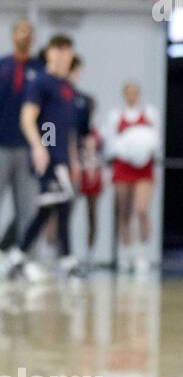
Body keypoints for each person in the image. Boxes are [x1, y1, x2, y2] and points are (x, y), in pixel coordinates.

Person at [6, 34, 81, 280]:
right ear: (50, 53)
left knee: (50, 209)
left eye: (67, 51)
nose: (63, 56)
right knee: (59, 206)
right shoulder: (42, 82)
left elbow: (65, 127)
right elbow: (29, 118)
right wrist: (40, 147)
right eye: (59, 50)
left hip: (61, 157)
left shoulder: (66, 87)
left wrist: (73, 159)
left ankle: (17, 256)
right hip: (48, 157)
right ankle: (66, 261)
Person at [105, 81, 159, 275]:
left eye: (135, 92)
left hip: (144, 168)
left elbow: (155, 140)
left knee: (142, 210)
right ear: (124, 95)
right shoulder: (115, 116)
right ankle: (126, 252)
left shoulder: (149, 114)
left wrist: (141, 150)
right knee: (124, 211)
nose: (132, 96)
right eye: (128, 93)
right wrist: (126, 149)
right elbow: (110, 143)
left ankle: (142, 253)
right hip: (123, 166)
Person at [0, 19, 40, 254]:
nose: (24, 35)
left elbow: (50, 116)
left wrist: (48, 147)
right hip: (1, 146)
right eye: (20, 31)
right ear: (13, 35)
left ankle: (27, 259)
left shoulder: (40, 70)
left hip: (28, 149)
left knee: (28, 209)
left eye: (29, 31)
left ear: (33, 37)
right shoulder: (3, 66)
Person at [69, 57, 103, 261]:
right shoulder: (69, 127)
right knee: (64, 211)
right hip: (75, 169)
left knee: (92, 214)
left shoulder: (96, 131)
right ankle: (60, 252)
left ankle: (88, 254)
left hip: (92, 173)